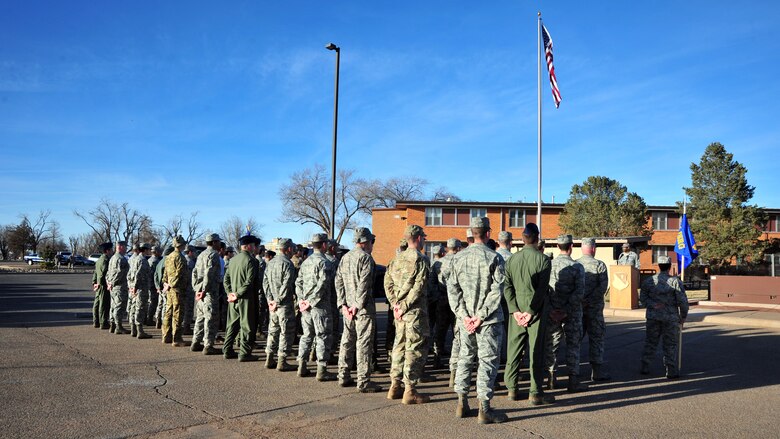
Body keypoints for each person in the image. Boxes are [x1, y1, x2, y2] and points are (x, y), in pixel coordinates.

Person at [447, 217, 507, 424]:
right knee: (487, 362)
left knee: (465, 358)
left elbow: (453, 291)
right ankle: (484, 409)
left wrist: (465, 316)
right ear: (488, 233)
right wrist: (480, 316)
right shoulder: (495, 258)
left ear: (472, 233)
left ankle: (461, 403)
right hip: (487, 322)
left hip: (466, 322)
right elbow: (497, 290)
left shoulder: (457, 258)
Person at [503, 223, 554, 406]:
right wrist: (530, 312)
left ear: (523, 238)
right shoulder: (543, 260)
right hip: (536, 311)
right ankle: (535, 392)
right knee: (536, 350)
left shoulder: (511, 260)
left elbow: (506, 287)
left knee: (513, 349)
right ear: (537, 238)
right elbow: (541, 291)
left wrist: (515, 310)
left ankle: (512, 388)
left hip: (516, 311)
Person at [385, 224, 431, 405]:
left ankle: (395, 386)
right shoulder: (421, 259)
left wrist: (394, 304)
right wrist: (404, 305)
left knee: (400, 345)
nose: (424, 240)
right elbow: (419, 287)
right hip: (413, 311)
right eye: (424, 238)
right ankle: (410, 390)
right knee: (414, 348)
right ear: (418, 238)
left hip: (399, 312)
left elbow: (387, 282)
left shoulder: (395, 260)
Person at [335, 227, 382, 393]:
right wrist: (356, 305)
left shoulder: (345, 258)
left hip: (349, 310)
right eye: (371, 242)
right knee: (364, 344)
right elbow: (365, 284)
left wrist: (343, 305)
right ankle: (363, 382)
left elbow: (338, 282)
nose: (372, 245)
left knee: (346, 342)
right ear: (365, 242)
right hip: (362, 310)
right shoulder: (366, 259)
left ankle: (343, 375)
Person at [544, 235, 588, 393]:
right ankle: (573, 381)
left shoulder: (548, 265)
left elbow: (544, 291)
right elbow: (579, 293)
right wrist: (566, 311)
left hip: (553, 314)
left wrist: (553, 310)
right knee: (573, 346)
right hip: (572, 314)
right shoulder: (577, 267)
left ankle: (551, 380)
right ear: (571, 246)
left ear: (557, 246)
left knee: (552, 346)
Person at [295, 233, 337, 381]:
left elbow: (298, 282)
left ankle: (302, 365)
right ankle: (321, 370)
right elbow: (323, 284)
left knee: (307, 335)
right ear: (324, 245)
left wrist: (302, 300)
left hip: (306, 306)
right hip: (320, 305)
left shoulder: (306, 262)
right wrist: (311, 301)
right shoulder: (324, 262)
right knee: (323, 336)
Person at [639, 255, 688, 379]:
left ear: (659, 266)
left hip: (653, 317)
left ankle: (645, 366)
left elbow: (642, 299)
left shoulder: (649, 281)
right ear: (670, 266)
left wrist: (653, 305)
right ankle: (671, 369)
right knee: (670, 344)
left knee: (650, 342)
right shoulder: (675, 281)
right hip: (670, 318)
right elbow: (682, 301)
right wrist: (683, 316)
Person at [577, 237, 612, 381]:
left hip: (578, 310)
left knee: (575, 340)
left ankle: (574, 372)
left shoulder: (575, 264)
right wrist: (590, 301)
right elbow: (602, 288)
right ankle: (596, 372)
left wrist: (581, 301)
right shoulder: (600, 265)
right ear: (593, 249)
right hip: (594, 311)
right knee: (596, 340)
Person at [223, 234, 261, 362]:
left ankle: (227, 349)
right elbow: (250, 282)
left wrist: (230, 293)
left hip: (233, 298)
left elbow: (226, 279)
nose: (255, 248)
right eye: (254, 246)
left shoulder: (232, 260)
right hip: (247, 298)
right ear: (249, 246)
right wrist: (238, 294)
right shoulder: (251, 260)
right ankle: (245, 352)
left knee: (232, 324)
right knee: (247, 326)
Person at [263, 238, 297, 371]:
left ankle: (269, 358)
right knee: (285, 332)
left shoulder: (271, 263)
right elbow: (287, 285)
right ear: (288, 249)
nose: (293, 251)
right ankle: (282, 361)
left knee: (273, 330)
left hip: (273, 305)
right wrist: (277, 301)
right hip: (283, 304)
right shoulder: (287, 263)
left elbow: (265, 283)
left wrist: (270, 300)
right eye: (292, 248)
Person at [191, 233, 223, 355]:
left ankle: (196, 341)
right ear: (214, 242)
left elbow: (194, 272)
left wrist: (196, 289)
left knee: (200, 317)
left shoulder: (201, 255)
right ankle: (208, 345)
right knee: (210, 317)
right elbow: (209, 274)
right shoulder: (213, 255)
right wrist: (204, 290)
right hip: (209, 291)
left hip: (200, 290)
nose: (220, 244)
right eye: (218, 241)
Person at [161, 236, 188, 347]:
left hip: (169, 289)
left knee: (168, 312)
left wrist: (166, 284)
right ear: (181, 245)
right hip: (177, 289)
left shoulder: (168, 257)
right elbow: (180, 274)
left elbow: (165, 273)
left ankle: (166, 336)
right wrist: (173, 284)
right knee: (177, 313)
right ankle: (176, 338)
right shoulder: (180, 258)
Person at [127, 242, 153, 339]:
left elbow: (129, 274)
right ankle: (139, 331)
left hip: (134, 287)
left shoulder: (134, 259)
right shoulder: (142, 260)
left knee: (134, 307)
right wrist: (135, 287)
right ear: (145, 250)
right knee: (140, 308)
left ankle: (133, 329)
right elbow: (139, 275)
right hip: (141, 288)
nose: (149, 251)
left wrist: (131, 286)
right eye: (148, 250)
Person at [427, 244, 445, 368]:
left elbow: (431, 284)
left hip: (434, 301)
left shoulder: (432, 265)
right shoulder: (443, 264)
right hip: (443, 301)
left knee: (436, 330)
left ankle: (436, 354)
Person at [106, 241, 130, 334]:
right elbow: (120, 273)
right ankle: (118, 326)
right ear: (120, 247)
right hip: (119, 286)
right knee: (119, 306)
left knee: (113, 306)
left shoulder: (112, 258)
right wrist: (112, 283)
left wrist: (109, 282)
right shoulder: (121, 259)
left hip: (113, 286)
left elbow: (108, 273)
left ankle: (113, 325)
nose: (126, 249)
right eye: (124, 247)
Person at [91, 242, 113, 330]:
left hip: (98, 284)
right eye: (111, 249)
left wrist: (94, 283)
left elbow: (95, 272)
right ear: (107, 251)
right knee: (103, 304)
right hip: (103, 285)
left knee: (97, 303)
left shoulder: (99, 260)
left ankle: (96, 321)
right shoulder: (105, 260)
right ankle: (103, 322)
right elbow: (104, 273)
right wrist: (105, 283)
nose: (112, 251)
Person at [154, 246, 173, 329]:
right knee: (165, 305)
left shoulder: (160, 262)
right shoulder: (167, 261)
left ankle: (158, 320)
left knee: (160, 304)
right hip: (165, 287)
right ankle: (163, 323)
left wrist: (157, 286)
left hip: (160, 287)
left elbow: (155, 275)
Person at [146, 245, 163, 327]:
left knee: (150, 302)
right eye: (159, 251)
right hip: (153, 285)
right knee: (153, 302)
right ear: (156, 252)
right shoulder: (156, 261)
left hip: (149, 284)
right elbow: (155, 274)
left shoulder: (149, 260)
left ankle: (148, 318)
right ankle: (149, 319)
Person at [182, 245, 197, 335]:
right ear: (190, 252)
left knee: (185, 307)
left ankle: (185, 326)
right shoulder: (189, 262)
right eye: (194, 252)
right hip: (188, 288)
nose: (195, 254)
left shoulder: (184, 260)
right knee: (188, 308)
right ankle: (186, 327)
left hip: (185, 288)